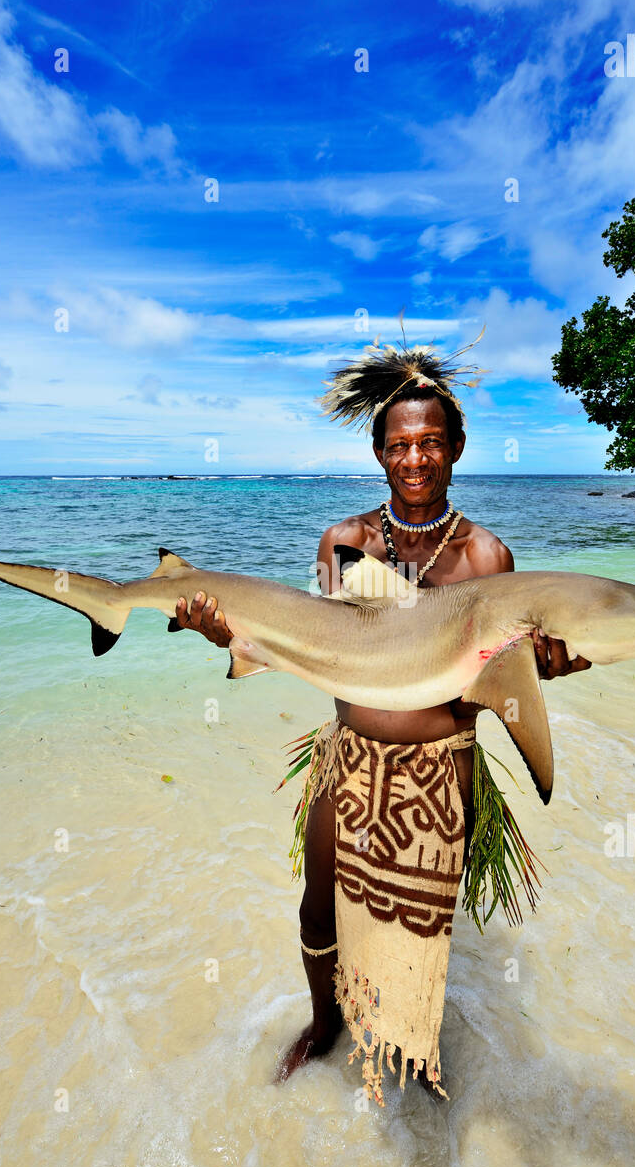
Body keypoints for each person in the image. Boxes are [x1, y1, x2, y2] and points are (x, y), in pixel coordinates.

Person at [175, 340, 591, 1102]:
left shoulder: (487, 557)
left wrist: (537, 673)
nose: (415, 459)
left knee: (425, 923)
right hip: (349, 758)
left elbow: (483, 685)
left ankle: (414, 1042)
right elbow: (329, 644)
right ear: (377, 452)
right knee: (316, 903)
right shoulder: (345, 542)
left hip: (441, 766)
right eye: (399, 445)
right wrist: (225, 632)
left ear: (457, 447)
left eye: (431, 442)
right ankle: (324, 1023)